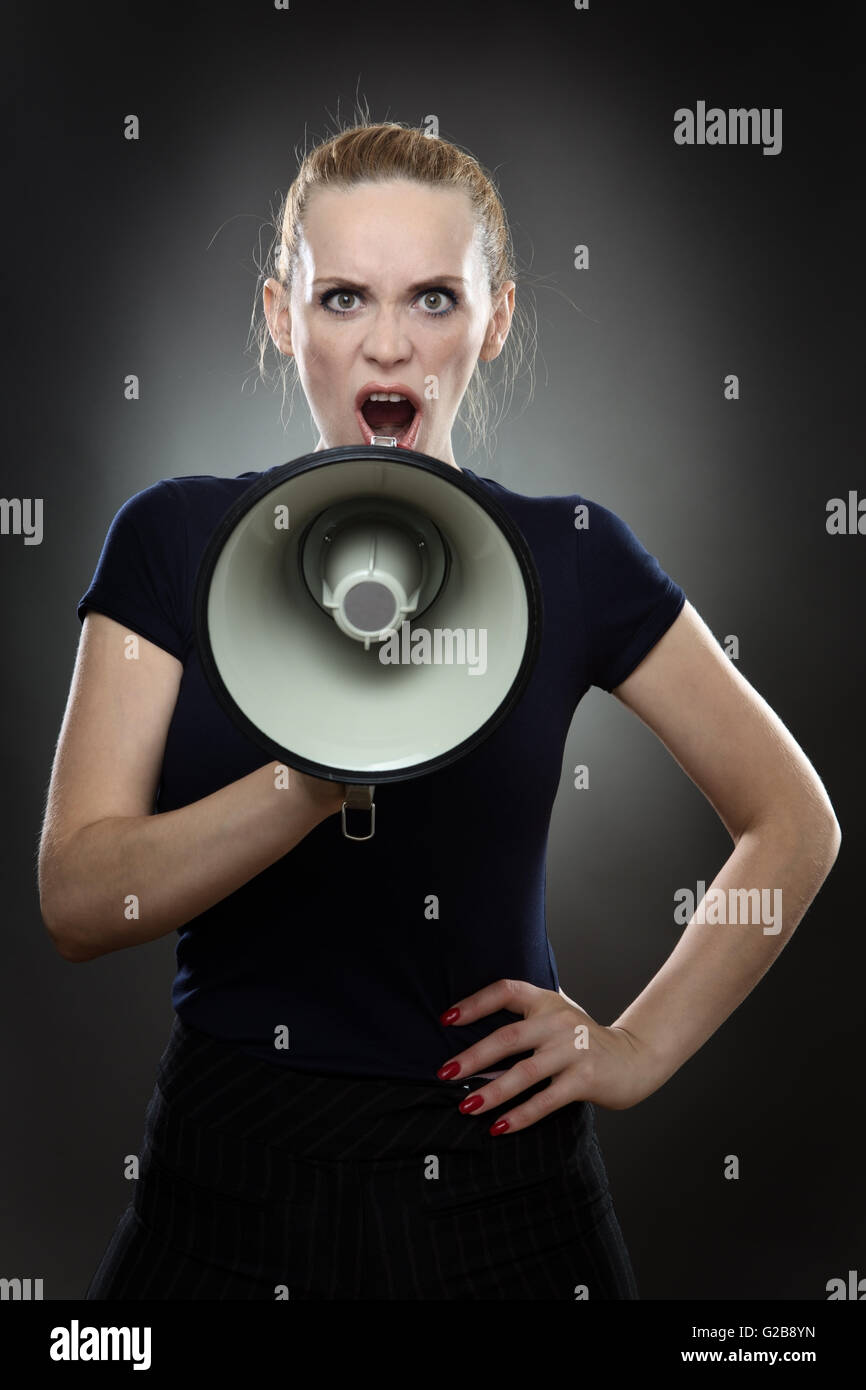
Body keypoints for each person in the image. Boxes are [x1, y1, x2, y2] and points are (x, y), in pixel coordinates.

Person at [37, 119, 841, 1301]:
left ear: (494, 319)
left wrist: (634, 1047)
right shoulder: (172, 539)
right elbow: (76, 899)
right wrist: (309, 777)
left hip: (496, 1181)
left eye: (431, 300)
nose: (386, 347)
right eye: (343, 298)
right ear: (279, 315)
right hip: (228, 1165)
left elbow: (792, 821)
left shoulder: (571, 555)